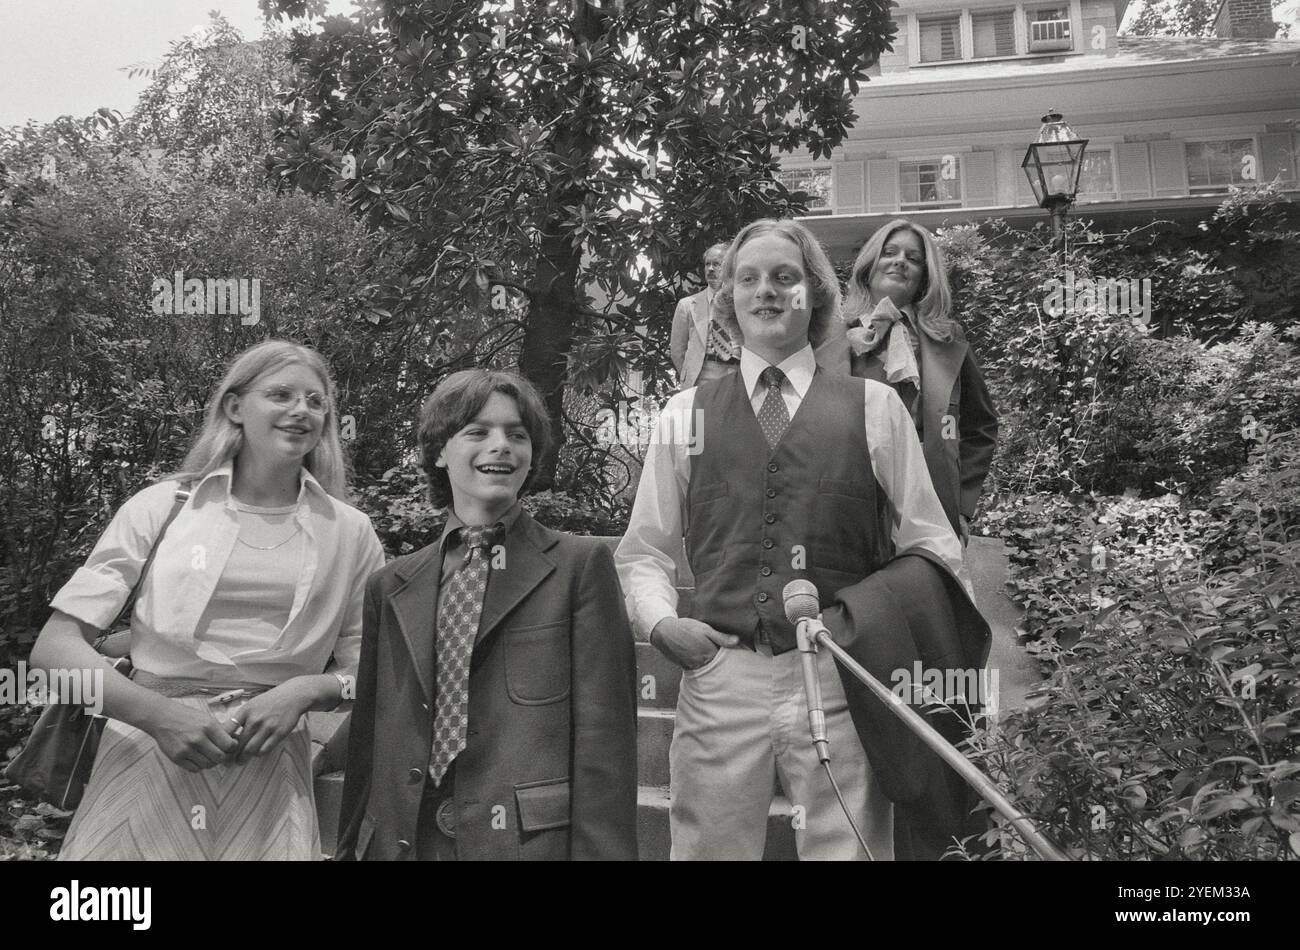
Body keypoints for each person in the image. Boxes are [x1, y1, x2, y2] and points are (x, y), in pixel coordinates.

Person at [616, 218, 985, 861]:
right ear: (727, 299)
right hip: (720, 675)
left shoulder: (875, 407)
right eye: (749, 278)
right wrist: (661, 625)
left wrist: (870, 626)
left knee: (849, 851)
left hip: (841, 677)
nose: (767, 290)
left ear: (815, 295)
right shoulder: (684, 415)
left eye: (785, 277)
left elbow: (933, 544)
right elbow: (644, 550)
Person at [30, 340, 386, 860]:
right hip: (145, 753)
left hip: (270, 771)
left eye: (316, 400)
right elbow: (55, 652)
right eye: (281, 394)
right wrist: (158, 716)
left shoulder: (352, 532)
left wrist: (309, 689)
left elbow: (373, 670)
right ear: (236, 407)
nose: (301, 410)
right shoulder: (163, 506)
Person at [335, 369, 638, 861]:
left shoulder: (579, 568)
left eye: (516, 435)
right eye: (477, 432)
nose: (500, 445)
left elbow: (607, 747)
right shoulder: (390, 586)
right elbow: (370, 742)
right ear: (438, 452)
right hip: (406, 841)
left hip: (525, 844)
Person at [839, 219, 998, 542]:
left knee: (927, 591)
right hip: (849, 505)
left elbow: (980, 425)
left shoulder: (948, 339)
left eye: (913, 258)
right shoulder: (833, 336)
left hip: (932, 504)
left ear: (925, 276)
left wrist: (962, 506)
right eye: (890, 252)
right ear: (870, 264)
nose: (900, 261)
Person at [669, 242, 741, 390]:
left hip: (737, 374)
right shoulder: (687, 305)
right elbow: (677, 351)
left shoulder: (743, 303)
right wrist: (690, 375)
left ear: (729, 268)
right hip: (701, 377)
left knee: (732, 414)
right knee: (700, 414)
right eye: (707, 264)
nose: (710, 269)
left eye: (716, 264)